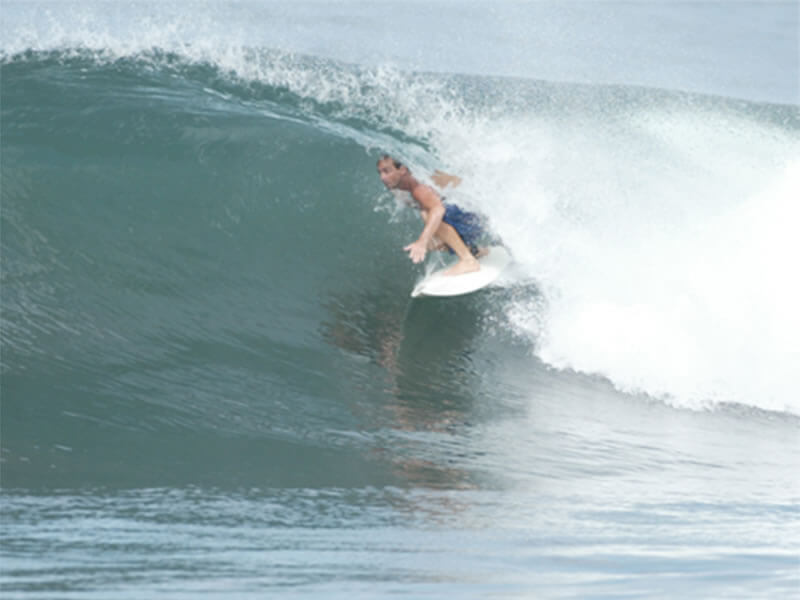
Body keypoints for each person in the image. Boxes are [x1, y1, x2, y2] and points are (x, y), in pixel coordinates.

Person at [376, 155, 486, 276]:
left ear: (402, 170)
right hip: (474, 217)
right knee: (432, 238)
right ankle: (473, 251)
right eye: (380, 172)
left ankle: (468, 260)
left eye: (387, 171)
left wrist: (422, 242)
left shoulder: (418, 187)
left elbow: (438, 210)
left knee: (431, 217)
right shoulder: (400, 189)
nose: (382, 177)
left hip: (477, 217)